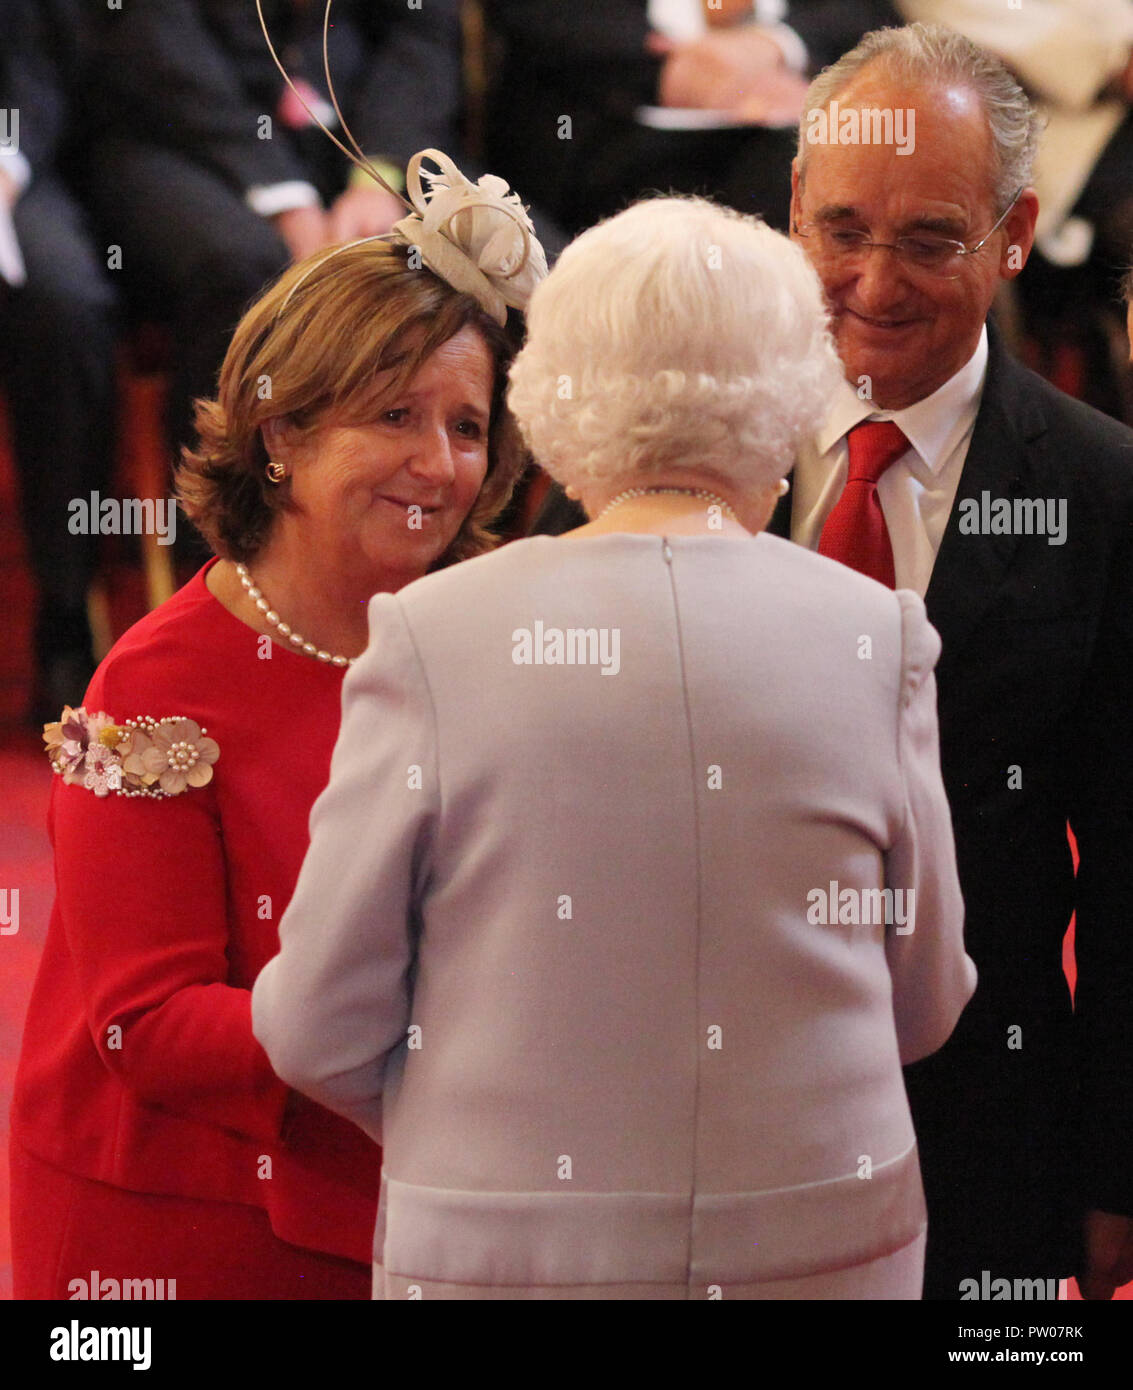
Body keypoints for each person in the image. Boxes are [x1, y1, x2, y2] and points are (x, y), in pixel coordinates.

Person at [252, 195, 976, 1300]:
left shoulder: (435, 636)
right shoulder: (875, 635)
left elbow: (316, 1023)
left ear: (548, 394)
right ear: (790, 391)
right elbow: (921, 1001)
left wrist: (450, 1121)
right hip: (823, 1240)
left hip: (506, 1250)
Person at [9, 153, 542, 1299]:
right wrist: (419, 1026)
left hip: (428, 1194)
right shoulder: (147, 690)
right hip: (180, 1223)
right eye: (393, 415)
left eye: (464, 424)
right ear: (279, 434)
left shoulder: (490, 631)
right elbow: (145, 1027)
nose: (438, 465)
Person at [776, 22, 1133, 1299]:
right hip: (714, 1108)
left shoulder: (1100, 493)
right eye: (839, 231)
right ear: (793, 213)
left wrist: (1113, 1172)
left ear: (1015, 232)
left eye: (929, 240)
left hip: (990, 1133)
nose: (872, 283)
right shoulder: (692, 438)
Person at [0, 0, 117, 718]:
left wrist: (6, 163)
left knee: (67, 305)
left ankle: (66, 609)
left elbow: (34, 57)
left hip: (12, 160)